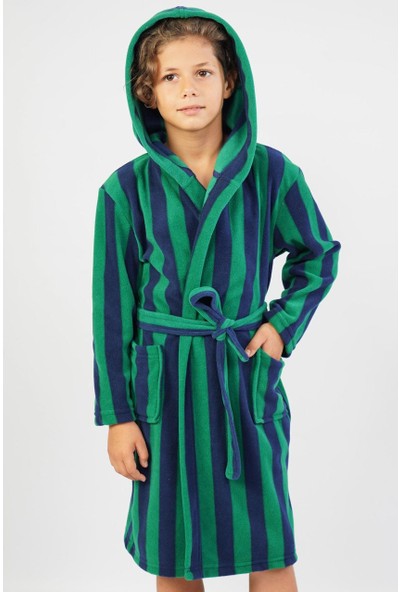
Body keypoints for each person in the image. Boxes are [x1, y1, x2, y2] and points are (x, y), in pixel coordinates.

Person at [91, 6, 341, 592]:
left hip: (241, 374)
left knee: (269, 544)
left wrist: (280, 326)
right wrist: (119, 416)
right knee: (174, 549)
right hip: (163, 388)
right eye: (170, 76)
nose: (189, 89)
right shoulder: (125, 190)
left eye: (203, 72)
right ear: (148, 93)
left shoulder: (271, 173)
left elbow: (318, 254)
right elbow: (110, 315)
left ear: (230, 81)